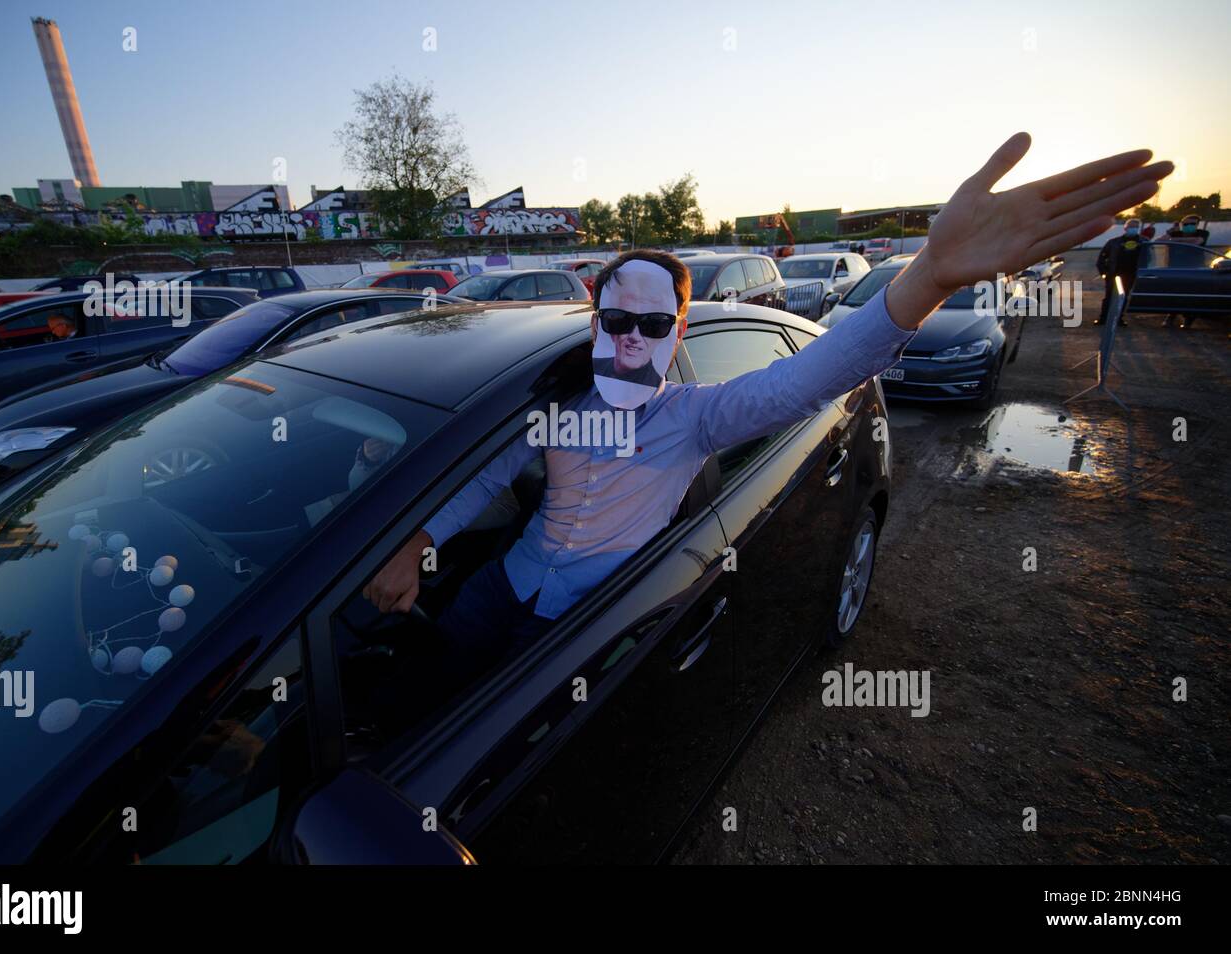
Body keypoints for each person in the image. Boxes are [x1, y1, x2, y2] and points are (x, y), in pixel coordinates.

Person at [364, 133, 1172, 698]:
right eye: (618, 322)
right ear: (594, 320)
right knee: (412, 692)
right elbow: (492, 470)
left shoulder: (698, 418)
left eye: (654, 326)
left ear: (677, 330)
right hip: (501, 586)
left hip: (584, 627)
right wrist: (422, 541)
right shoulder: (560, 398)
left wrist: (931, 276)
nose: (634, 340)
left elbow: (811, 377)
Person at [1162, 214, 1211, 328]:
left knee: (1191, 294)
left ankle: (1188, 319)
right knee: (1174, 294)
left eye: (1192, 224)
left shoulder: (1203, 233)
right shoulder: (1175, 233)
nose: (1188, 226)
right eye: (1185, 224)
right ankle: (1171, 316)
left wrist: (1174, 240)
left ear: (1197, 225)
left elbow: (1197, 242)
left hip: (1194, 268)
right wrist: (1170, 233)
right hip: (1175, 267)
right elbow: (1160, 241)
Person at [1093, 217, 1143, 326]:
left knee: (1123, 298)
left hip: (1131, 275)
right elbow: (1101, 259)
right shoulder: (1114, 242)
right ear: (1125, 228)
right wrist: (1103, 273)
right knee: (1109, 297)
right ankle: (1103, 318)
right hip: (1113, 274)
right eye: (1131, 227)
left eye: (1135, 227)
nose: (1133, 229)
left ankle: (1119, 319)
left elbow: (1149, 258)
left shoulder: (1143, 243)